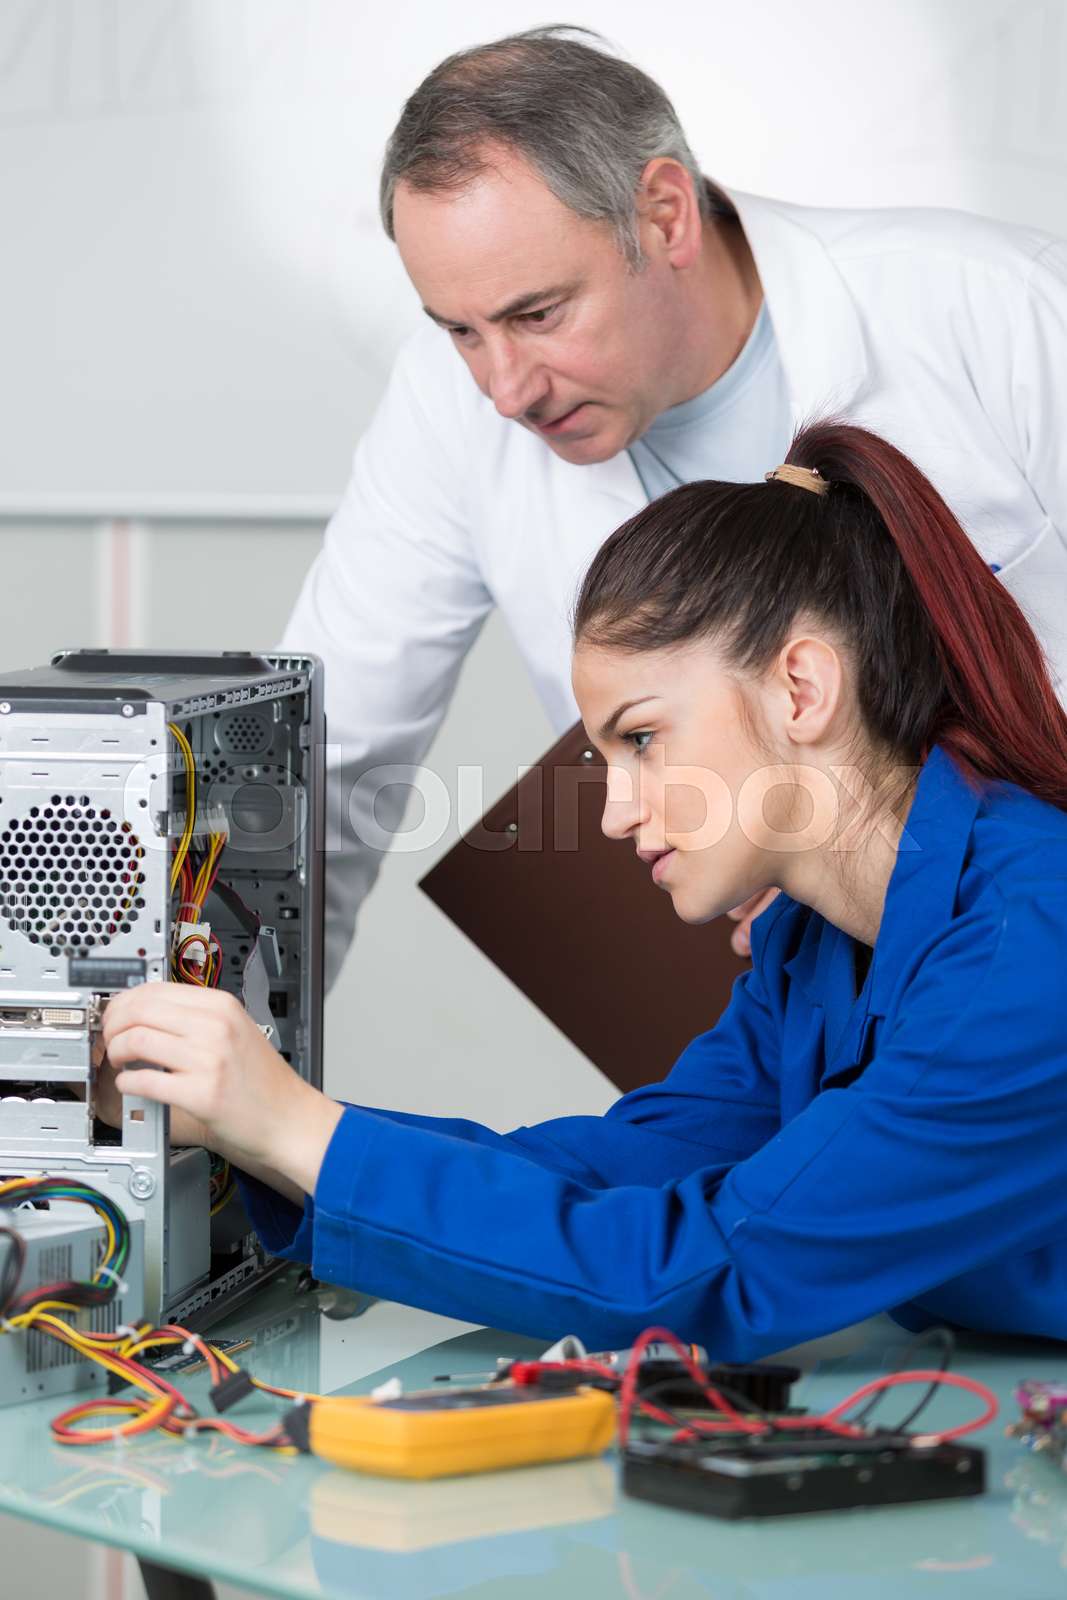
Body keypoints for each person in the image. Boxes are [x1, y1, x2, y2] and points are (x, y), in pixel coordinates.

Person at [101, 421, 1067, 1360]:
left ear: (800, 690)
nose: (609, 815)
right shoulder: (811, 946)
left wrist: (298, 1130)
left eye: (641, 738)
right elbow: (623, 1170)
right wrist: (255, 1131)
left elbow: (716, 1267)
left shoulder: (1023, 949)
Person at [289, 26, 1067, 973]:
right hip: (774, 975)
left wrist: (863, 852)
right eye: (460, 330)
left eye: (538, 315)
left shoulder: (999, 308)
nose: (504, 389)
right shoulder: (447, 406)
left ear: (663, 215)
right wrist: (223, 1043)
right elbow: (320, 767)